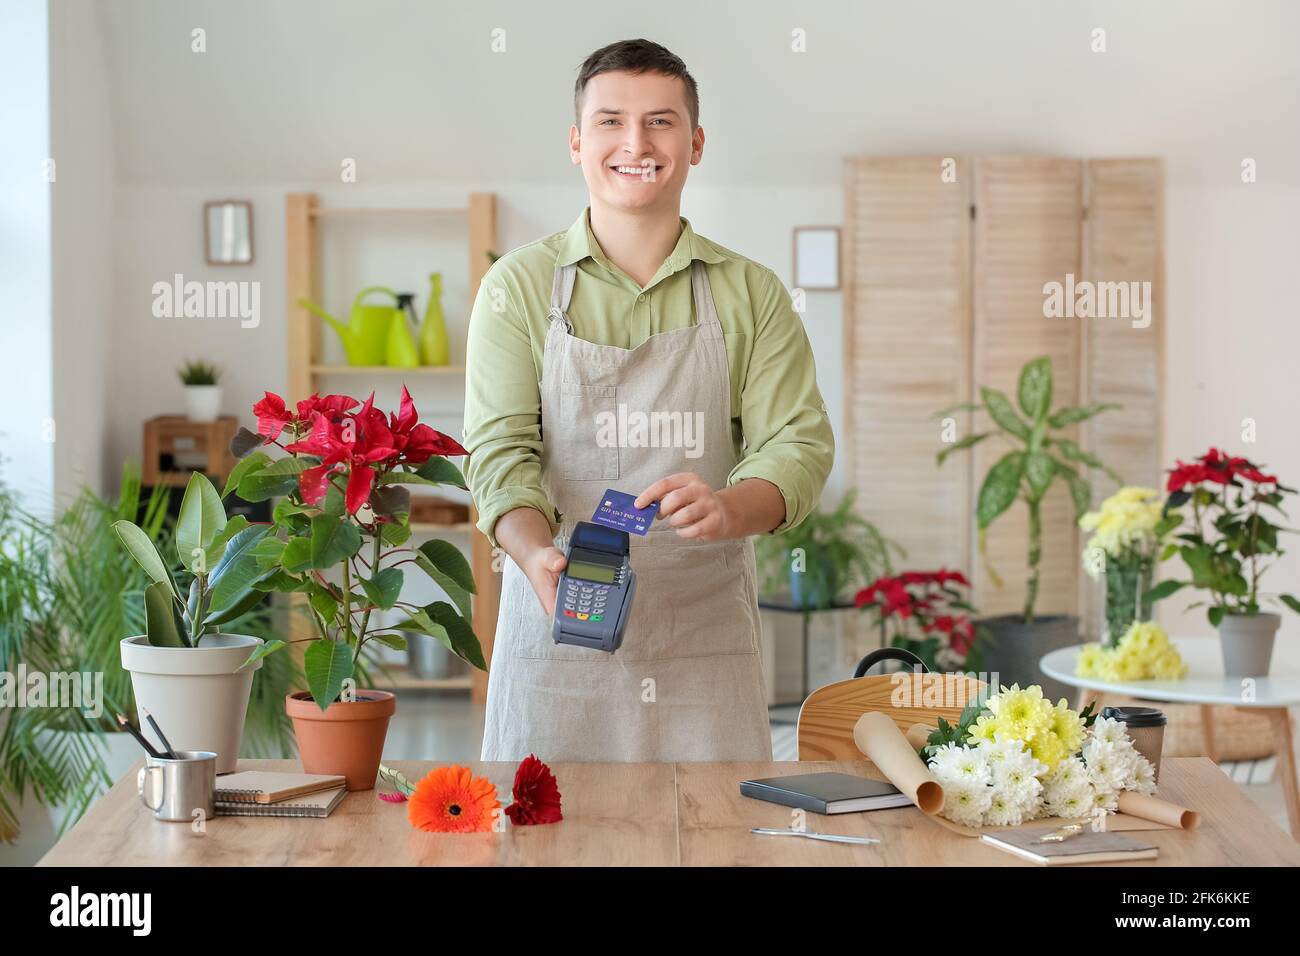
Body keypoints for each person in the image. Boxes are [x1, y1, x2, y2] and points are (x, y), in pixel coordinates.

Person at [463, 38, 834, 762]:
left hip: (702, 641)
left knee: (712, 839)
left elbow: (798, 445)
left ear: (695, 144)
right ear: (577, 142)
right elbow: (500, 452)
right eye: (610, 122)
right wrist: (534, 551)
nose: (635, 142)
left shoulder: (752, 293)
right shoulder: (516, 287)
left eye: (661, 122)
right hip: (559, 626)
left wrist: (731, 507)